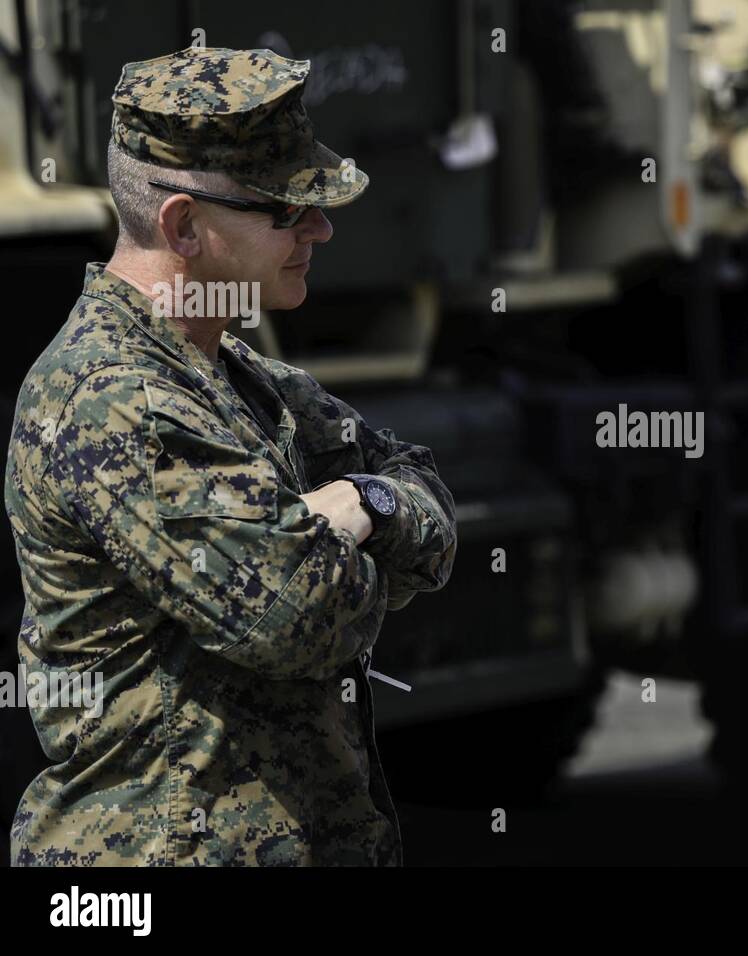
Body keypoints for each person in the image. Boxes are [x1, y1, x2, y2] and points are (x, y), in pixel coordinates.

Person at [4, 47, 456, 865]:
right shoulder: (120, 398)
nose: (318, 228)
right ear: (183, 225)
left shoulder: (242, 373)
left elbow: (426, 502)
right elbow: (299, 618)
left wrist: (362, 502)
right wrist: (340, 556)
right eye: (285, 210)